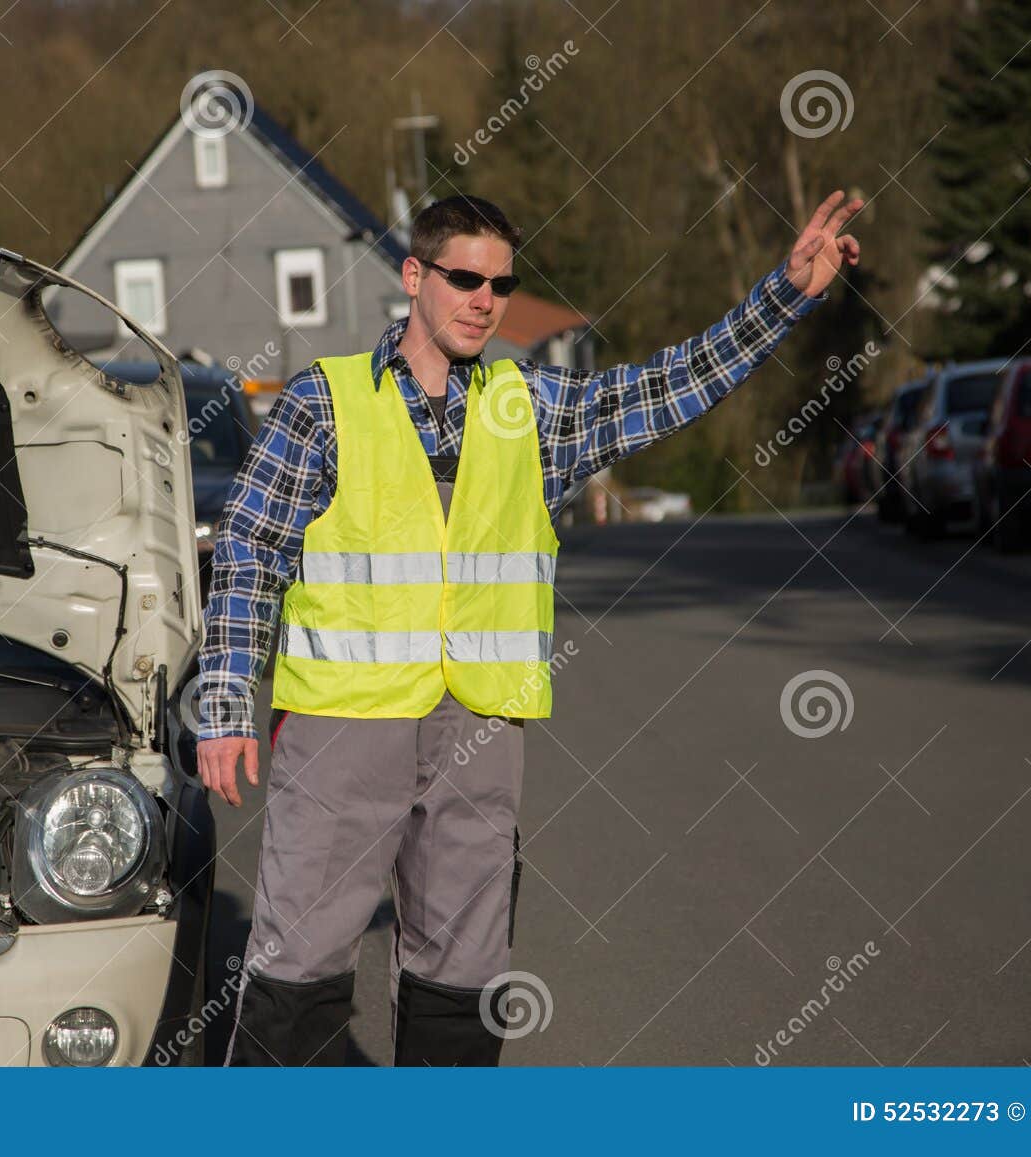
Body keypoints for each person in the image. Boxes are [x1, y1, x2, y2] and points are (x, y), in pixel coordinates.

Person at [198, 190, 863, 1065]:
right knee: (298, 971)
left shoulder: (532, 408)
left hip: (479, 731)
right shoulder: (324, 406)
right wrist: (222, 701)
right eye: (464, 277)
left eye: (501, 284)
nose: (484, 298)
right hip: (342, 729)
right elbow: (250, 548)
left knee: (461, 977)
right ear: (413, 276)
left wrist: (784, 292)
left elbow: (670, 387)